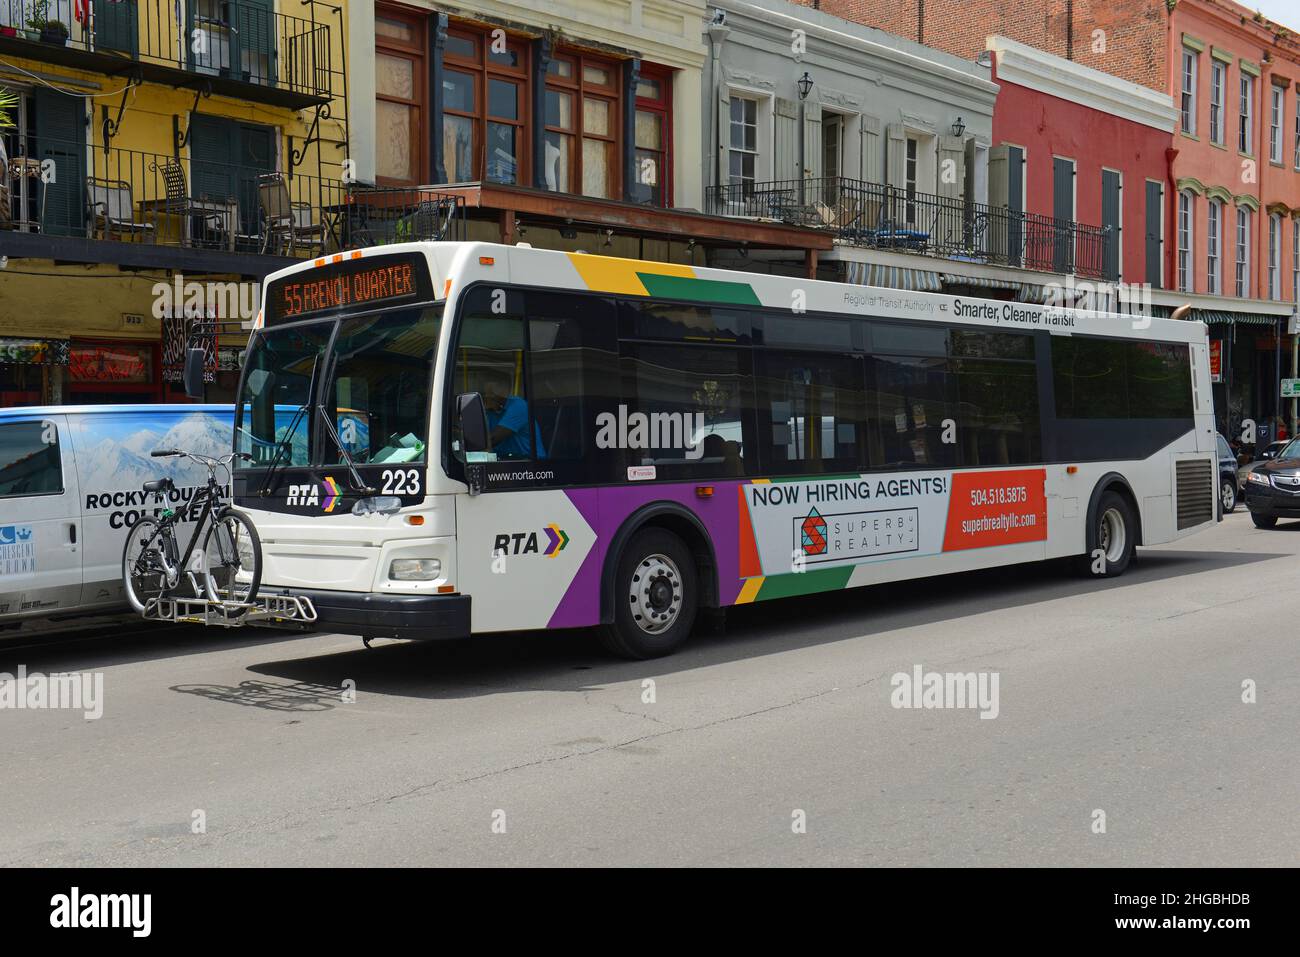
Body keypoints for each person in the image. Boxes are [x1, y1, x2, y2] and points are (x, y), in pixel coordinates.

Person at [482, 369, 545, 459]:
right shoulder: (489, 409)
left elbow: (493, 439)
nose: (487, 398)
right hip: (505, 460)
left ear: (504, 392)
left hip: (530, 463)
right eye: (486, 394)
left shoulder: (519, 406)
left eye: (492, 394)